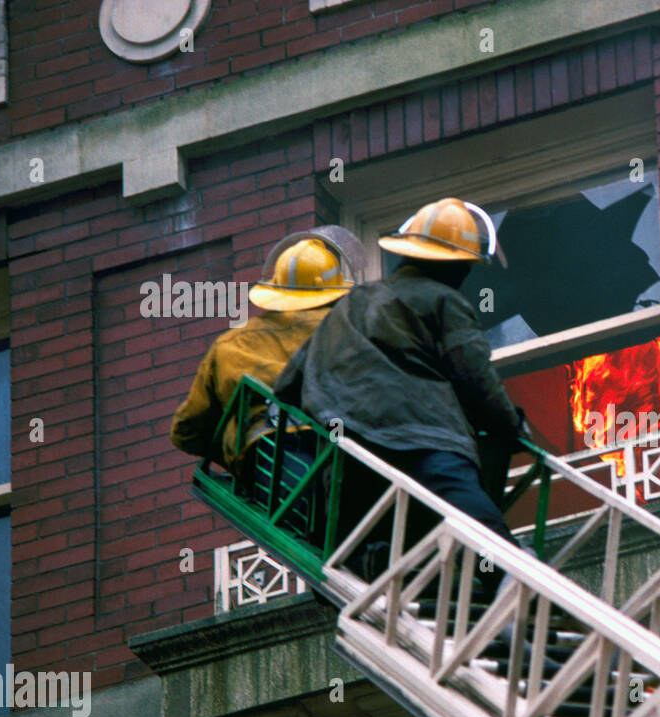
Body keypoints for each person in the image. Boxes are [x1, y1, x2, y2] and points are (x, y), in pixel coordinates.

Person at [273, 198, 529, 589]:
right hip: (422, 441)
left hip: (348, 455)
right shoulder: (444, 301)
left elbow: (287, 386)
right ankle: (510, 579)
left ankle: (372, 565)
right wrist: (510, 425)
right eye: (466, 265)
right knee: (472, 517)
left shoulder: (348, 305)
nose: (466, 274)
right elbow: (475, 376)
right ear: (451, 264)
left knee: (358, 540)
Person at [170, 226, 366, 474]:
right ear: (335, 292)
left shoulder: (231, 345)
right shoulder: (357, 334)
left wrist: (234, 452)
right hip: (350, 455)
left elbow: (186, 430)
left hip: (274, 460)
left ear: (276, 290)